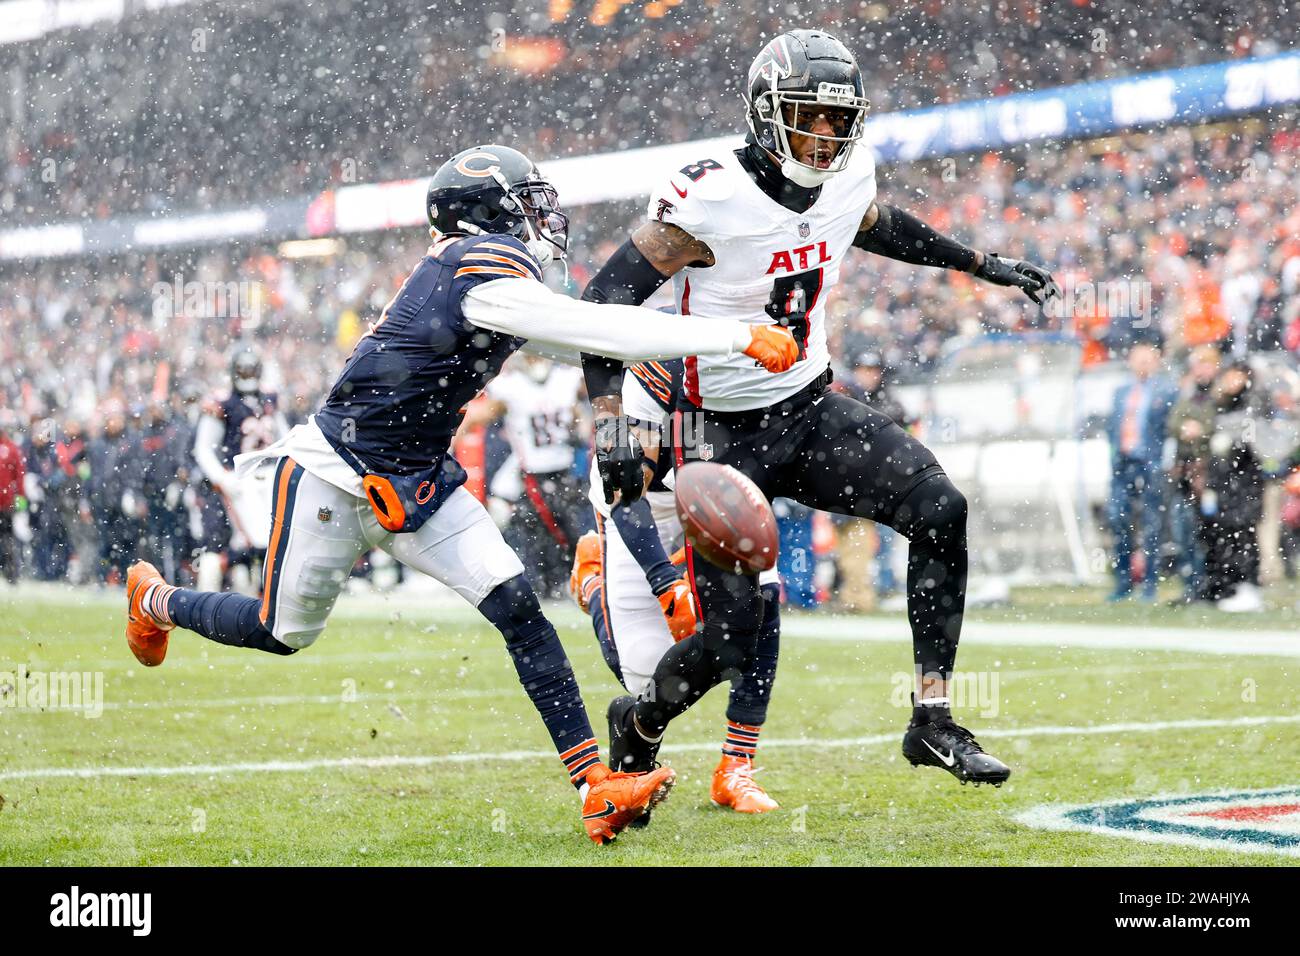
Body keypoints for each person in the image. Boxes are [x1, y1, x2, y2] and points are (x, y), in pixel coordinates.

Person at [123, 143, 798, 843]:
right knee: (282, 631)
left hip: (419, 480)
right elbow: (589, 328)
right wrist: (732, 335)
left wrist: (687, 340)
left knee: (519, 611)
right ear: (492, 212)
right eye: (531, 203)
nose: (547, 218)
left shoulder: (489, 284)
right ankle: (156, 600)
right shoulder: (472, 271)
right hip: (334, 470)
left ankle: (596, 786)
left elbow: (582, 343)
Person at [580, 31, 1058, 789]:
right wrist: (610, 421)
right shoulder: (709, 194)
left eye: (839, 121)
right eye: (809, 117)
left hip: (808, 412)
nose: (826, 136)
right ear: (766, 115)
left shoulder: (845, 177)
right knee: (732, 642)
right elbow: (603, 304)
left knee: (940, 507)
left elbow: (875, 225)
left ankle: (930, 720)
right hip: (717, 437)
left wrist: (978, 263)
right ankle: (639, 721)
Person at [569, 356, 784, 815]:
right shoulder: (653, 371)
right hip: (639, 500)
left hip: (714, 496)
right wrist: (667, 583)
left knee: (762, 599)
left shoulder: (754, 365)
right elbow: (626, 497)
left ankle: (736, 766)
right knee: (643, 675)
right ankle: (593, 585)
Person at [1105, 342, 1178, 601]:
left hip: (1150, 463)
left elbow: (1170, 427)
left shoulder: (1167, 390)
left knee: (1152, 525)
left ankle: (1149, 585)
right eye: (1139, 359)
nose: (1143, 365)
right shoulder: (1121, 392)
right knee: (1118, 520)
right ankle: (1123, 583)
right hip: (1123, 463)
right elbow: (1112, 427)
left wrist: (1163, 460)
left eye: (1148, 360)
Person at [1165, 345, 1221, 603]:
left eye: (1206, 364)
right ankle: (1192, 584)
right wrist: (1186, 427)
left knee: (1206, 532)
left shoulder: (1218, 397)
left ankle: (1208, 585)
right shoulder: (1188, 396)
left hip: (1209, 474)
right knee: (1183, 530)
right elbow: (1174, 423)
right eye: (1198, 364)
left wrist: (1200, 429)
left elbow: (1216, 426)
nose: (1202, 370)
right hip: (1185, 473)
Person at [0, 414, 24, 585]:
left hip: (6, 503)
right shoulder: (12, 448)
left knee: (8, 539)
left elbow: (19, 476)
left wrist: (21, 497)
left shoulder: (12, 449)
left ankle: (11, 573)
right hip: (6, 500)